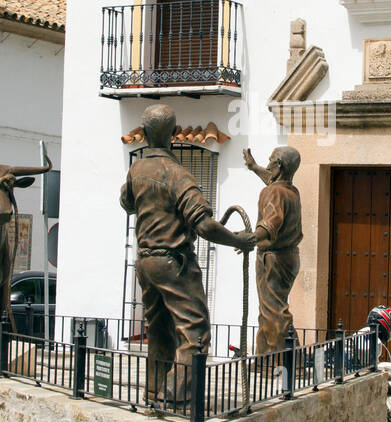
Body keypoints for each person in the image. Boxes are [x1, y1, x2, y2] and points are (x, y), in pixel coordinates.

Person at [121, 104, 253, 402]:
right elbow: (204, 224)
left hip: (145, 262)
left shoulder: (136, 168)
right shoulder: (177, 174)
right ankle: (174, 394)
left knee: (159, 328)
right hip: (173, 262)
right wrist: (238, 240)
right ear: (172, 132)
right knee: (195, 332)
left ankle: (154, 391)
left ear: (142, 132)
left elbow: (127, 203)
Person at [243, 146, 302, 356]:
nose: (267, 165)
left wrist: (251, 237)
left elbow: (271, 222)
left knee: (274, 311)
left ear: (279, 165)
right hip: (288, 257)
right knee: (270, 310)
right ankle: (265, 359)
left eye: (270, 161)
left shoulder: (274, 192)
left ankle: (288, 362)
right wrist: (254, 167)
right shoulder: (289, 190)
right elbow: (271, 180)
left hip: (273, 259)